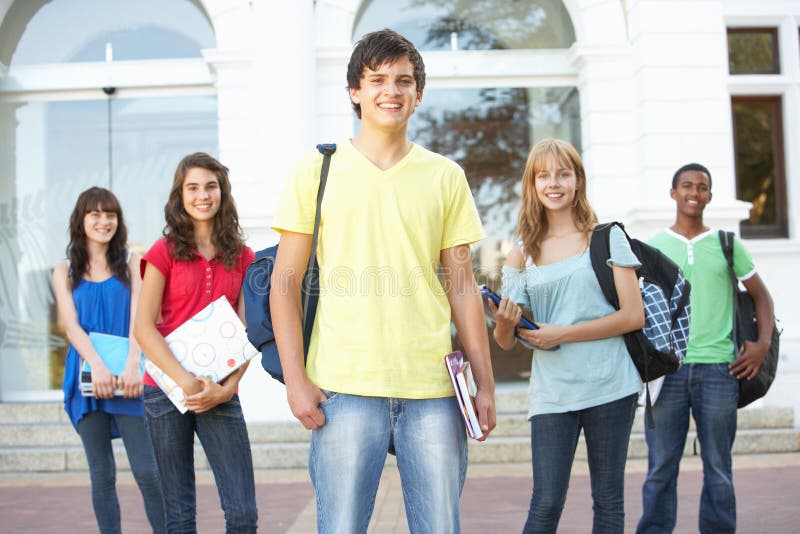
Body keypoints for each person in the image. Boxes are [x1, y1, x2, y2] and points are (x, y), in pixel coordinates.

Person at [270, 29, 496, 533]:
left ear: (419, 93)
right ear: (355, 91)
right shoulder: (316, 169)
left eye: (403, 80)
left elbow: (462, 287)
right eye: (376, 80)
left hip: (433, 387)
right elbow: (284, 283)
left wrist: (484, 382)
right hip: (344, 388)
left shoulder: (445, 176)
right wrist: (295, 380)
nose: (390, 91)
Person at [491, 138, 644, 533]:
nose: (554, 183)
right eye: (544, 175)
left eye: (563, 173)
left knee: (608, 503)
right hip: (553, 393)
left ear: (578, 180)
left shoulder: (606, 238)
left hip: (610, 385)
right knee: (545, 504)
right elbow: (506, 341)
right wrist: (506, 321)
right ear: (533, 184)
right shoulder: (521, 252)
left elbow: (633, 316)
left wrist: (566, 333)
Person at [637, 163, 775, 534]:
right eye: (686, 185)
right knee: (661, 467)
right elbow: (640, 310)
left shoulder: (728, 245)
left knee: (718, 468)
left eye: (702, 187)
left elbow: (762, 297)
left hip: (720, 371)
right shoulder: (653, 248)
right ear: (673, 193)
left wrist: (761, 345)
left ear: (709, 196)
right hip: (669, 373)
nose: (694, 192)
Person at [133, 153, 258, 533]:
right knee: (180, 515)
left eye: (210, 186)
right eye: (192, 187)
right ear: (180, 195)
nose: (202, 195)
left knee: (242, 514)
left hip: (220, 390)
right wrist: (187, 385)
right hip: (166, 391)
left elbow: (245, 332)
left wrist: (226, 390)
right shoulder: (163, 252)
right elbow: (143, 327)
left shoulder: (244, 256)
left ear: (222, 192)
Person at [53, 187, 166, 533]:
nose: (104, 222)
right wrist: (98, 367)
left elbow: (139, 316)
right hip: (86, 378)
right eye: (96, 214)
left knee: (147, 471)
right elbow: (70, 325)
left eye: (110, 215)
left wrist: (133, 363)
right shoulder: (64, 270)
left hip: (130, 375)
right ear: (81, 220)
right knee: (102, 474)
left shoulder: (133, 262)